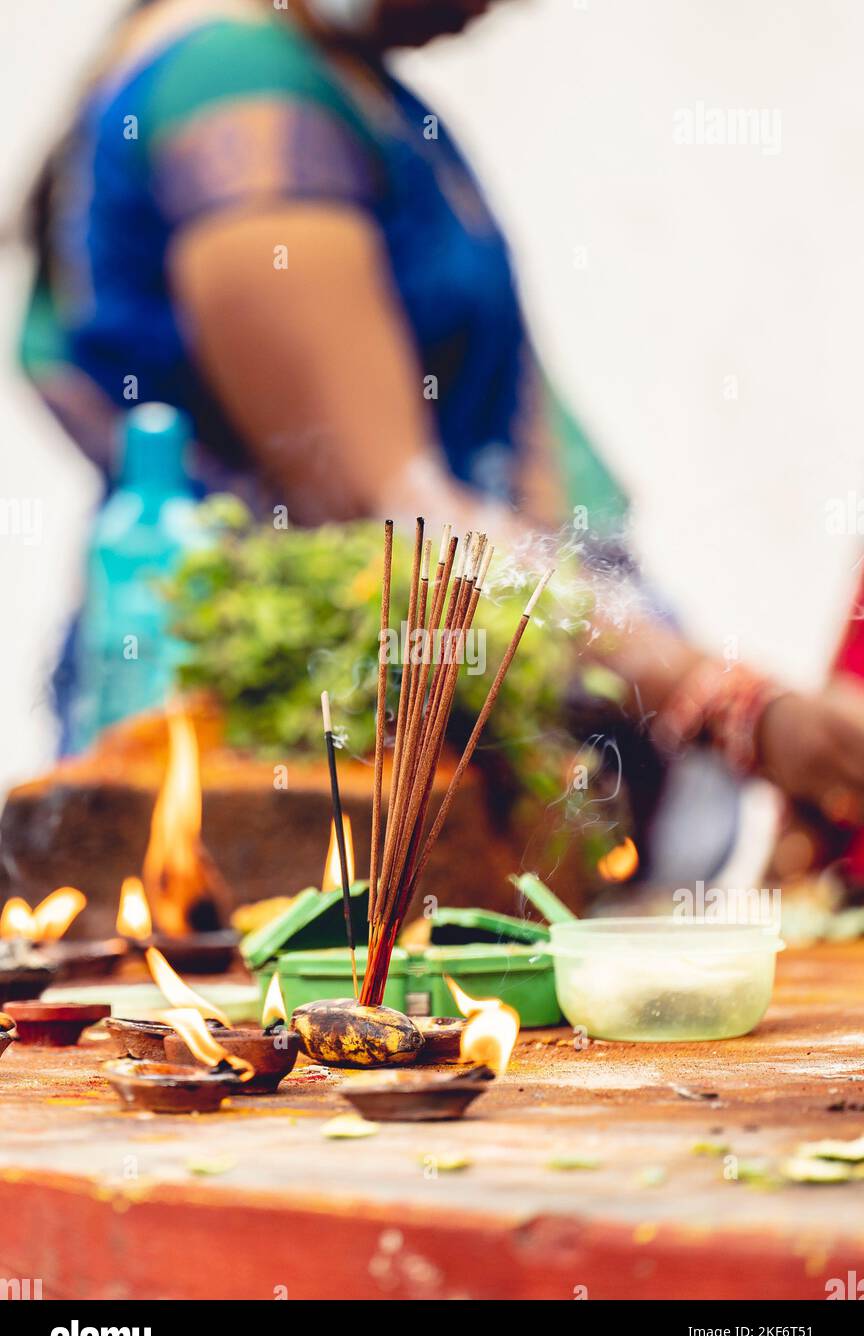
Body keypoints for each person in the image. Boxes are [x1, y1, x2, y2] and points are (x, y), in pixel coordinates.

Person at [20, 0, 864, 845]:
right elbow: (399, 517)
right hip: (317, 779)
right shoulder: (242, 93)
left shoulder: (338, 83)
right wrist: (727, 700)